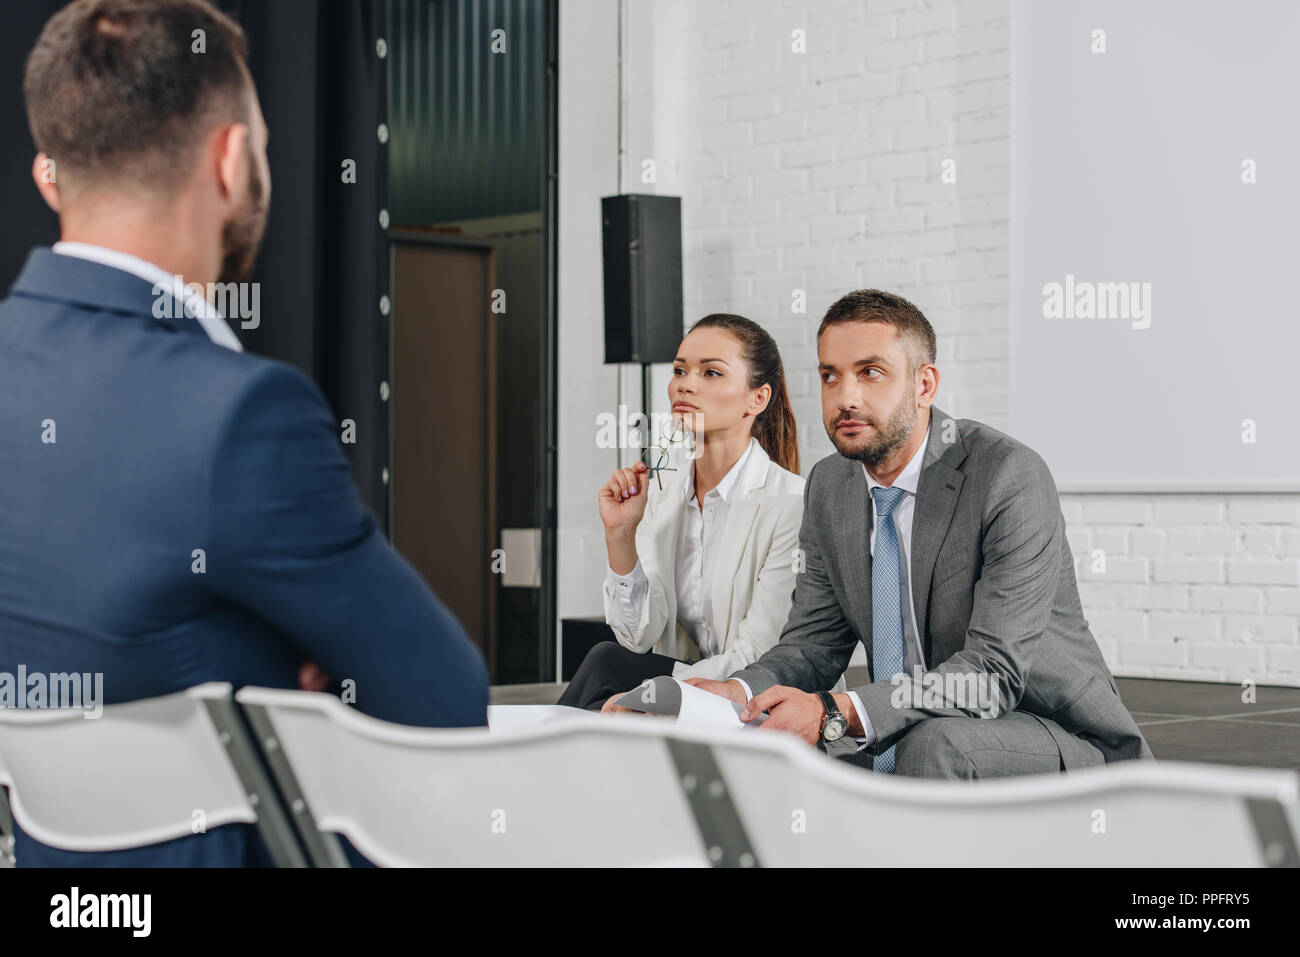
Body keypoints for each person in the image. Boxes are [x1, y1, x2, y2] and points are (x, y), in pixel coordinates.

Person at [0, 0, 488, 866]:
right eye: (260, 141)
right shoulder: (239, 413)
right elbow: (444, 701)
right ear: (231, 160)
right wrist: (289, 681)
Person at [686, 290, 1153, 777]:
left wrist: (836, 711)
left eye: (870, 373)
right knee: (766, 736)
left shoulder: (1006, 476)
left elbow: (993, 674)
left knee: (936, 745)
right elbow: (811, 645)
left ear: (924, 385)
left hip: (1048, 728)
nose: (846, 397)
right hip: (905, 727)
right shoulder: (830, 485)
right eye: (830, 376)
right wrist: (735, 695)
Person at [560, 313, 846, 712]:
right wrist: (620, 536)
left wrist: (655, 692)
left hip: (759, 698)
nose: (685, 385)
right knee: (607, 661)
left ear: (757, 398)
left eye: (711, 373)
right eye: (680, 370)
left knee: (605, 676)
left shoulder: (793, 504)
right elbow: (636, 638)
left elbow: (761, 654)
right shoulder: (661, 492)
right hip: (696, 690)